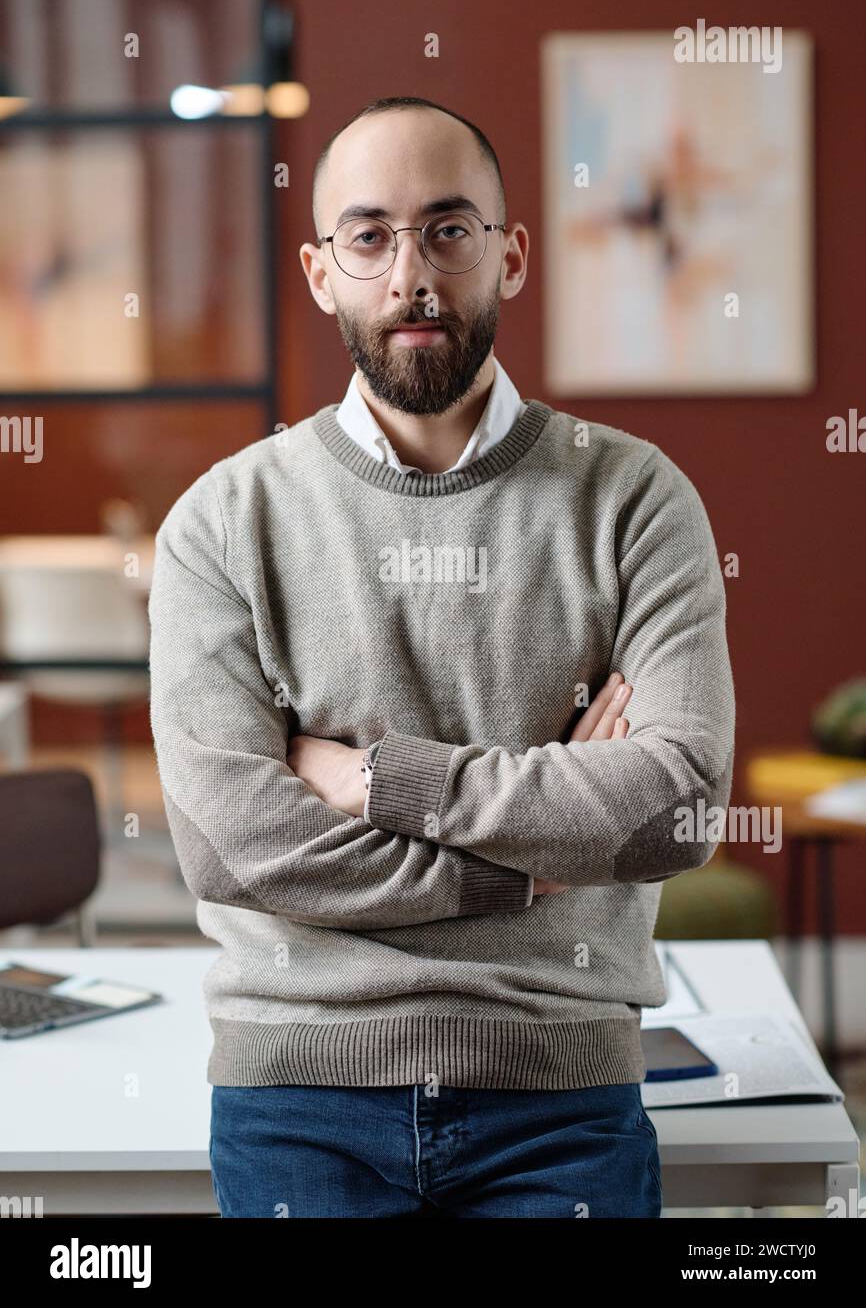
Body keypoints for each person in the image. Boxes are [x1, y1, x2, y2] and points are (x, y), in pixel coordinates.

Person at [148, 95, 735, 1218]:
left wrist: (376, 780)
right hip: (298, 1092)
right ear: (322, 272)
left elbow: (674, 810)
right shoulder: (223, 521)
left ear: (509, 256)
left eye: (447, 230)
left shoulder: (633, 498)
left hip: (556, 1093)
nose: (410, 273)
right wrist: (534, 858)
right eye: (369, 236)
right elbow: (233, 843)